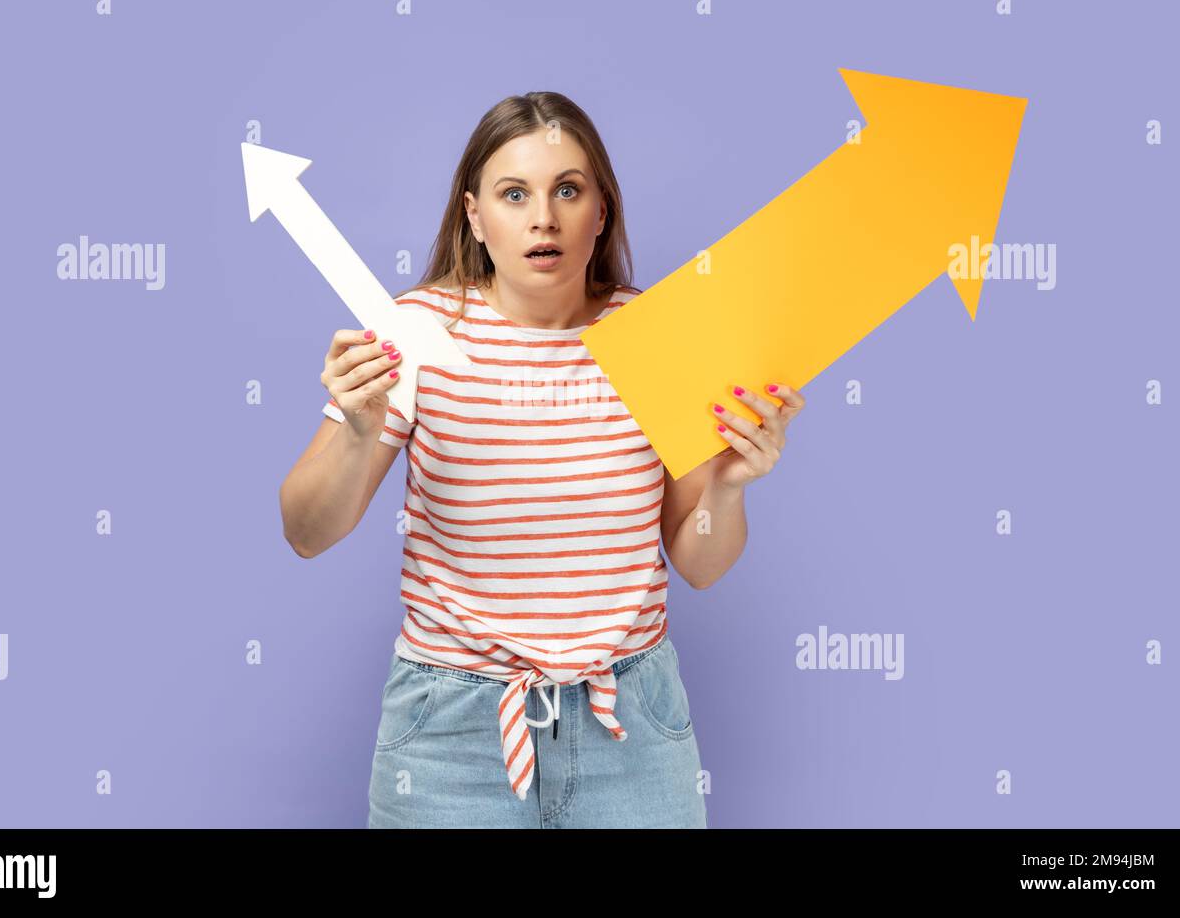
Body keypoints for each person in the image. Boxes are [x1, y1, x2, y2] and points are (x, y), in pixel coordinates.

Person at [279, 92, 805, 828]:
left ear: (602, 210)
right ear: (474, 216)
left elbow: (701, 564)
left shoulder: (662, 338)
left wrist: (730, 483)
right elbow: (306, 531)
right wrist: (360, 433)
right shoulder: (415, 333)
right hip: (452, 732)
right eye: (514, 193)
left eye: (567, 189)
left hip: (631, 725)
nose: (543, 218)